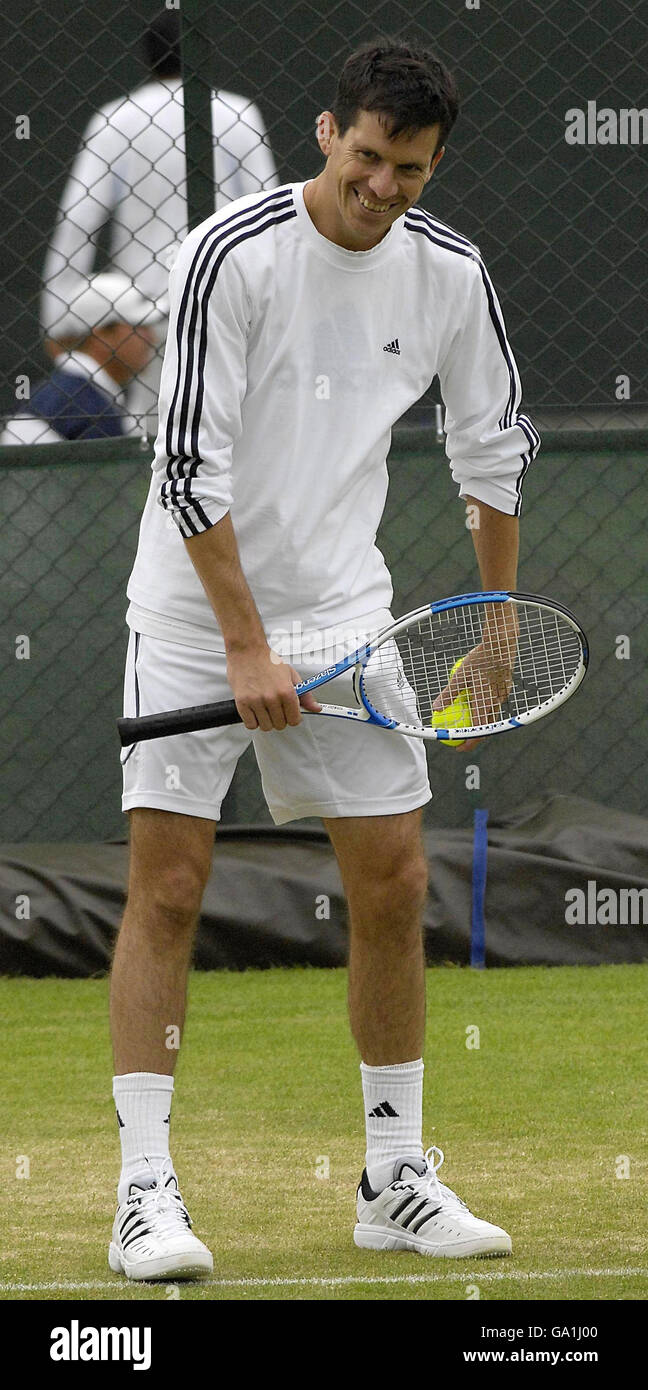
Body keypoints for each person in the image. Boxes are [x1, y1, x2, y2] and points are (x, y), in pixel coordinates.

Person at [109, 40, 540, 1281]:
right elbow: (187, 466)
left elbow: (492, 450)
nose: (385, 187)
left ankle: (395, 1176)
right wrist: (243, 643)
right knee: (172, 888)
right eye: (367, 158)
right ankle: (146, 1192)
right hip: (197, 610)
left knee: (397, 881)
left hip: (350, 613)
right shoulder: (227, 256)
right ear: (323, 134)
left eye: (411, 168)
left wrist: (493, 620)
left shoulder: (451, 274)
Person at [41, 10, 278, 429]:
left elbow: (78, 221)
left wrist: (60, 318)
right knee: (240, 437)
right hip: (228, 309)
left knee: (152, 447)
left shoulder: (116, 119)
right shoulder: (238, 114)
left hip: (143, 321)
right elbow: (269, 220)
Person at [2, 273, 162, 445]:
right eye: (140, 327)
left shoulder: (68, 395)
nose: (151, 338)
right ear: (101, 334)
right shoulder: (80, 405)